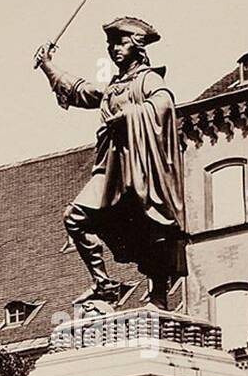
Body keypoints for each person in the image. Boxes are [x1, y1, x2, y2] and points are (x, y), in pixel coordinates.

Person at [34, 17, 187, 310]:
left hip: (141, 168)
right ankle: (104, 284)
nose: (113, 49)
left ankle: (158, 294)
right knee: (75, 217)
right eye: (110, 44)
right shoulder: (115, 85)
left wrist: (129, 115)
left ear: (137, 45)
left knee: (150, 226)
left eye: (120, 42)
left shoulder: (148, 79)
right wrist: (47, 65)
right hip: (111, 167)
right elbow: (80, 91)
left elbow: (164, 105)